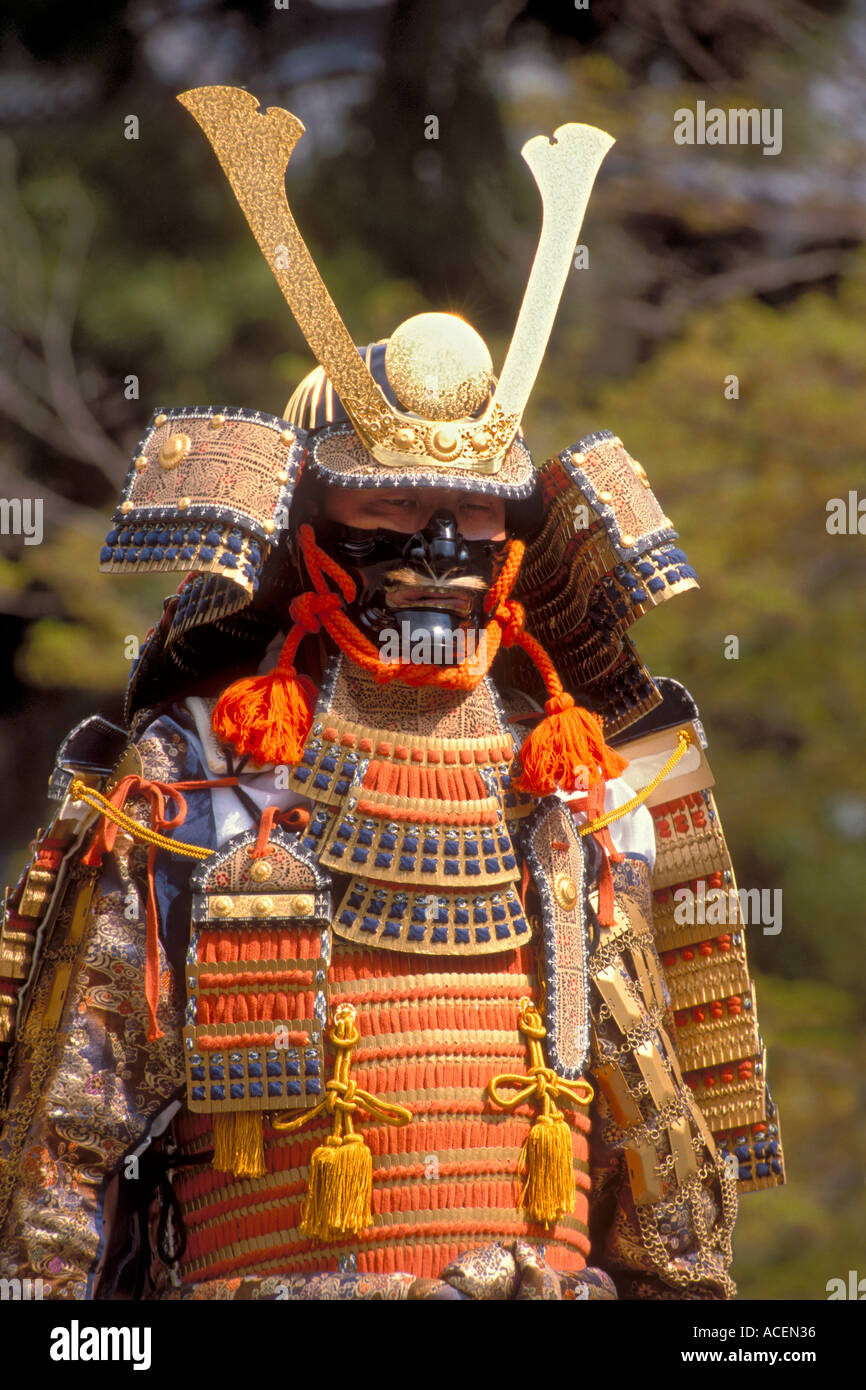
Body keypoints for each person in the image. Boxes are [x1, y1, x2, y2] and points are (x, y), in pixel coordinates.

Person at [0, 86, 782, 1302]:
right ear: (315, 524)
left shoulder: (579, 783)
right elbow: (67, 1130)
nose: (437, 544)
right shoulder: (199, 771)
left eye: (471, 513)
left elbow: (653, 1115)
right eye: (389, 508)